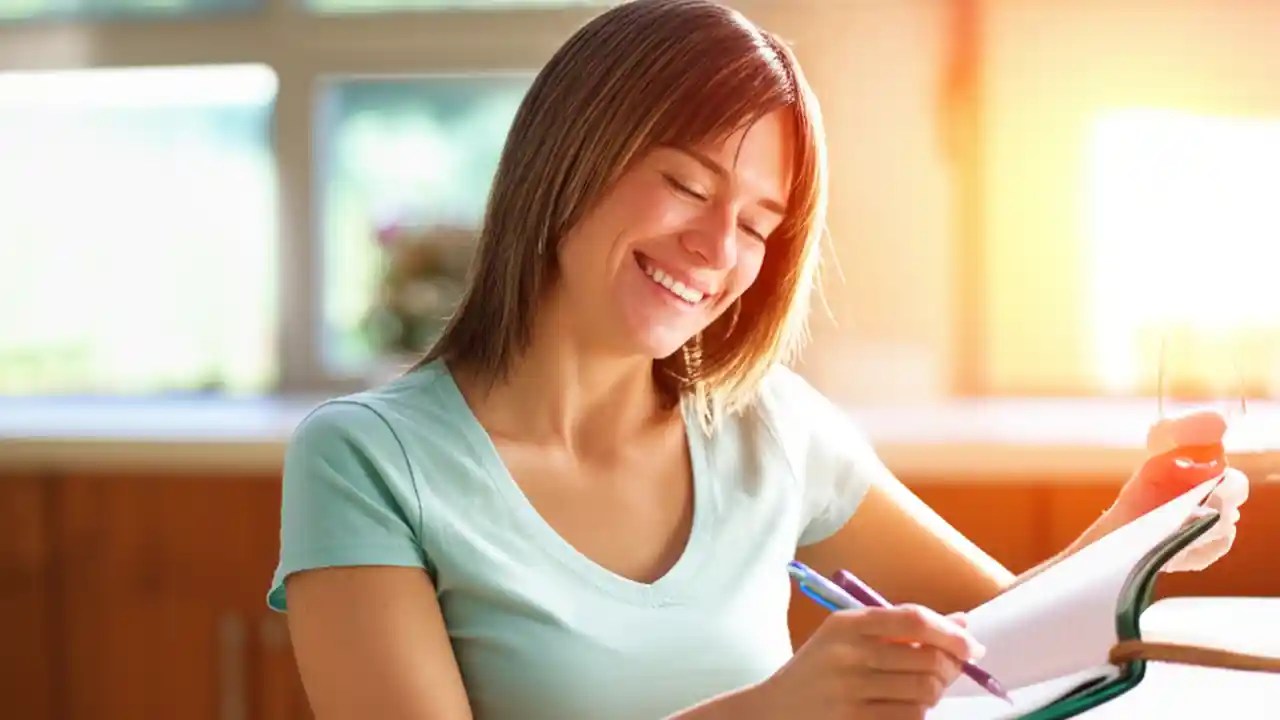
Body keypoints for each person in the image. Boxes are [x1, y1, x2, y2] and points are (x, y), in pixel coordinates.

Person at [266, 1, 1249, 718]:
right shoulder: (367, 461)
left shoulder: (769, 425)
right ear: (568, 156)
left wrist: (1135, 529)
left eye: (756, 226)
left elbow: (1002, 641)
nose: (714, 251)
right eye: (687, 186)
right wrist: (777, 711)